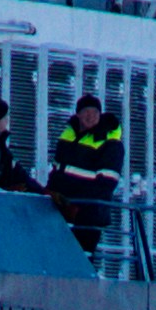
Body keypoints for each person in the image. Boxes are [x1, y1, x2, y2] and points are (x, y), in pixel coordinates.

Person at [48, 82, 128, 261]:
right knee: (57, 259)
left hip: (88, 214)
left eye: (95, 112)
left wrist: (75, 202)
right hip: (59, 209)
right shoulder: (67, 137)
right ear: (78, 114)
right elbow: (57, 171)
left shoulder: (110, 143)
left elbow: (105, 184)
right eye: (86, 112)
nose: (90, 116)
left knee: (80, 260)